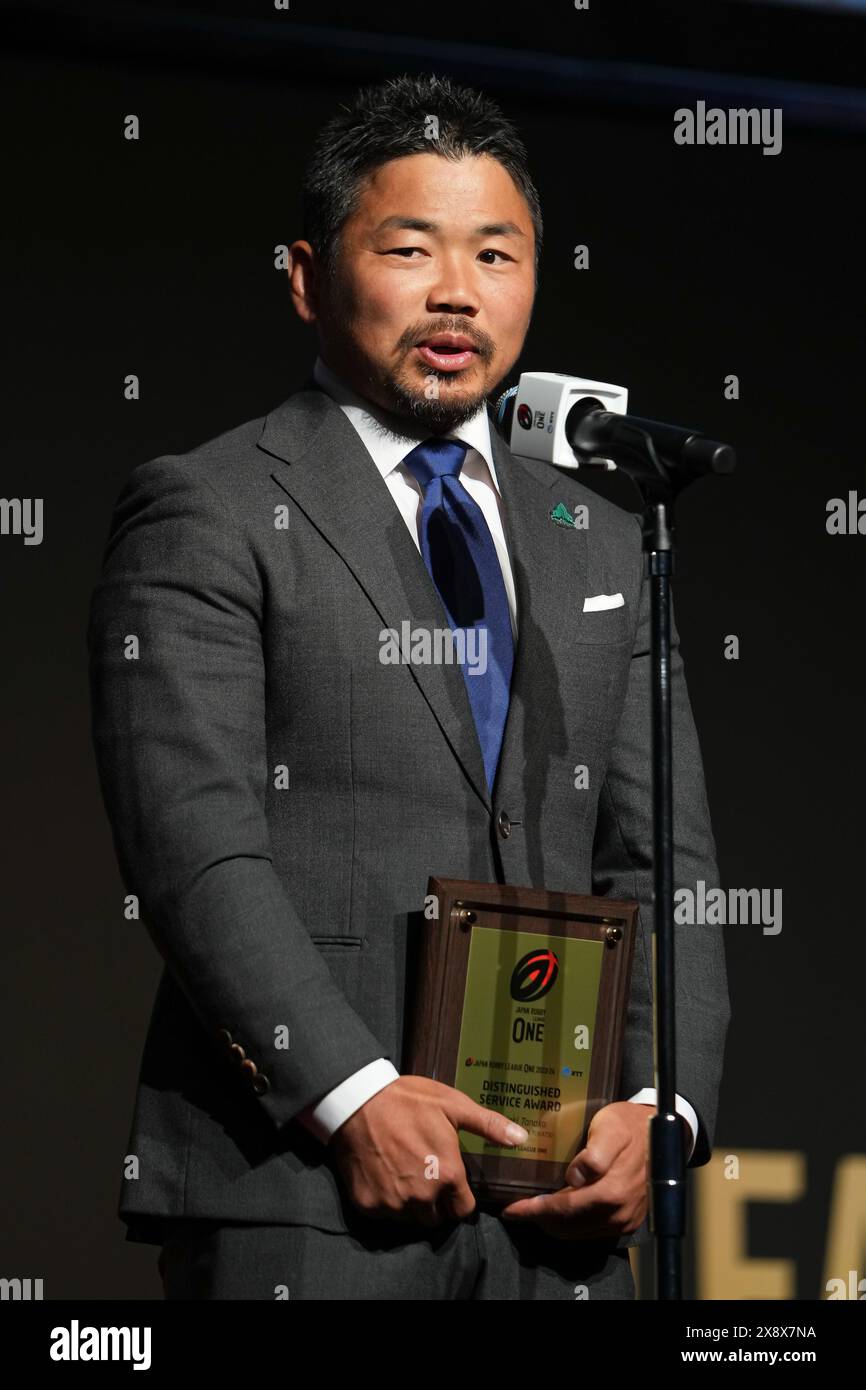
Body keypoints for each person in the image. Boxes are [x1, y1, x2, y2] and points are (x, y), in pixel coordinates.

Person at [87, 72, 730, 1301]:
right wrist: (349, 1095)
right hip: (308, 1190)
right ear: (304, 276)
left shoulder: (600, 537)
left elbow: (665, 864)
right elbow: (192, 846)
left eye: (497, 253)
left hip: (561, 1211)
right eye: (408, 247)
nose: (456, 291)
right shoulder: (210, 506)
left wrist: (660, 1107)